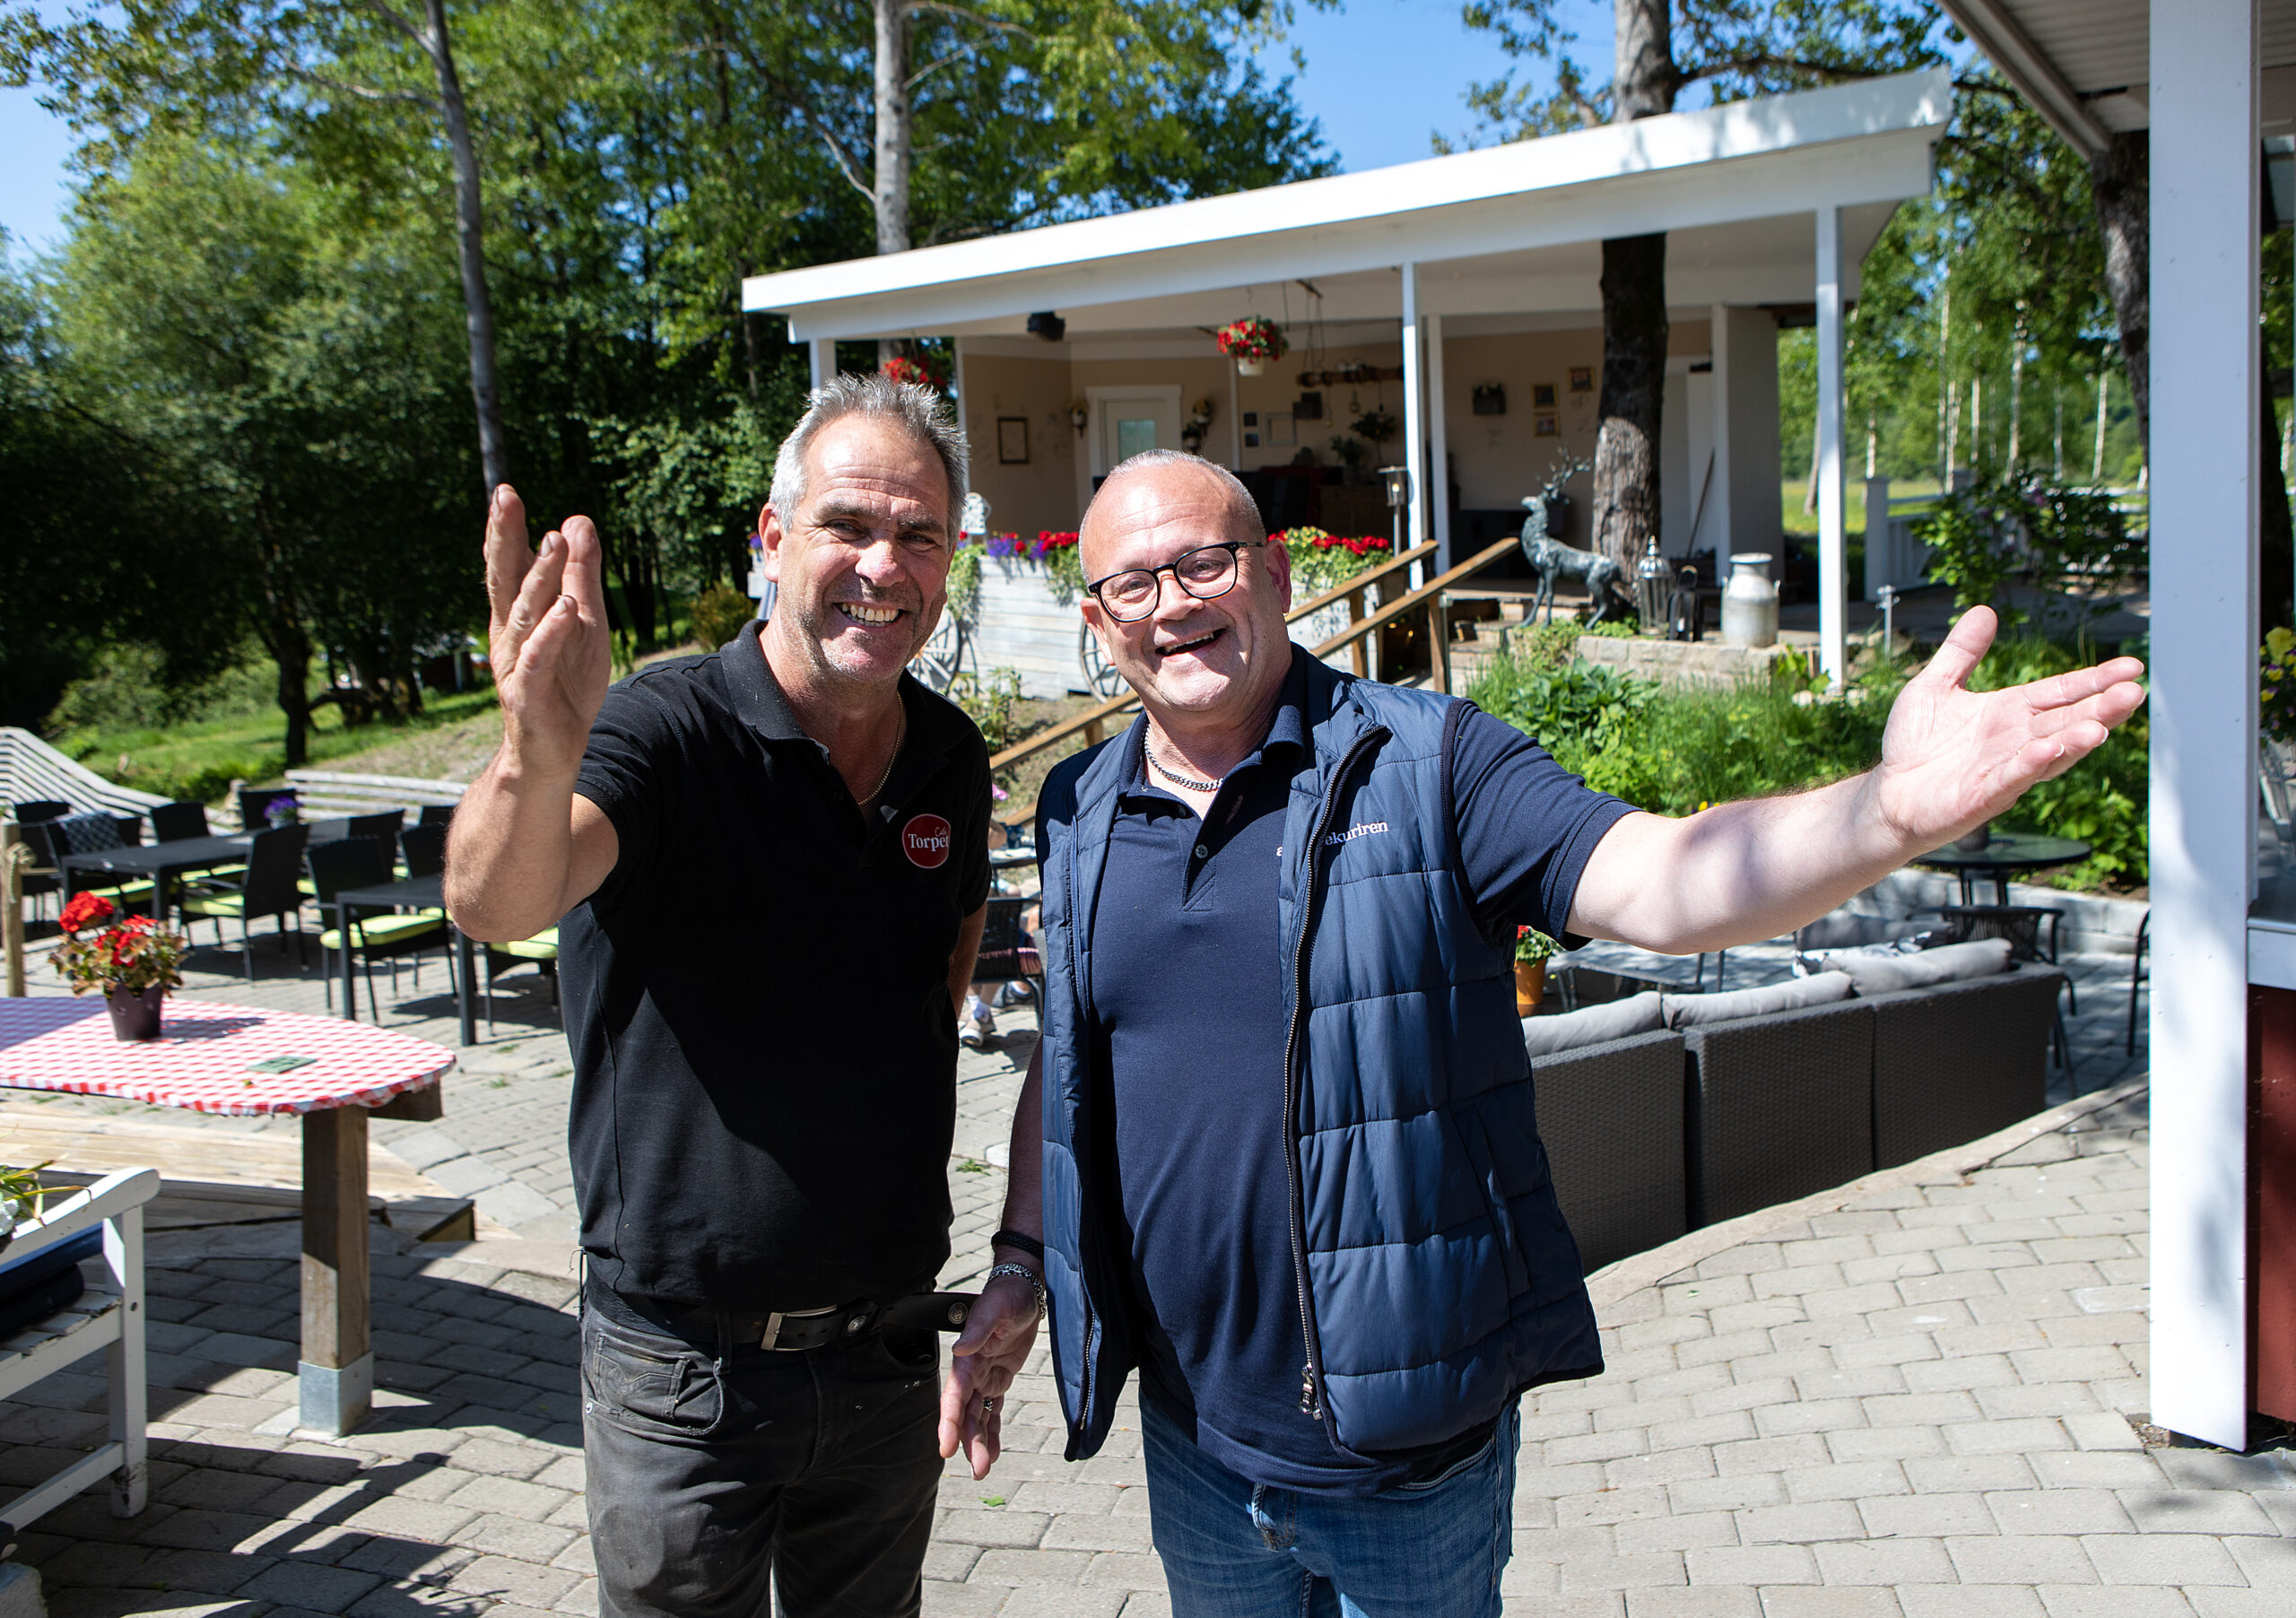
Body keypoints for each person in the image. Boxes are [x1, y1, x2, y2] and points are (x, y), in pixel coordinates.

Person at [979, 449, 2144, 1617]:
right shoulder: (1079, 806)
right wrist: (1022, 1256)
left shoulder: (1428, 762)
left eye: (1205, 561)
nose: (1173, 602)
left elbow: (1669, 879)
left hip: (1407, 1461)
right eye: (1134, 582)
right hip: (1192, 1438)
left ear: (1276, 573)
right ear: (1096, 618)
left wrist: (1885, 810)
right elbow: (1074, 1056)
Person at [444, 374, 1046, 1618]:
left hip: (885, 1357)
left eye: (920, 534)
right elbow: (498, 901)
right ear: (772, 540)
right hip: (684, 1379)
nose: (885, 565)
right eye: (849, 525)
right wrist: (532, 753)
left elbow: (945, 968)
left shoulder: (946, 755)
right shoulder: (665, 730)